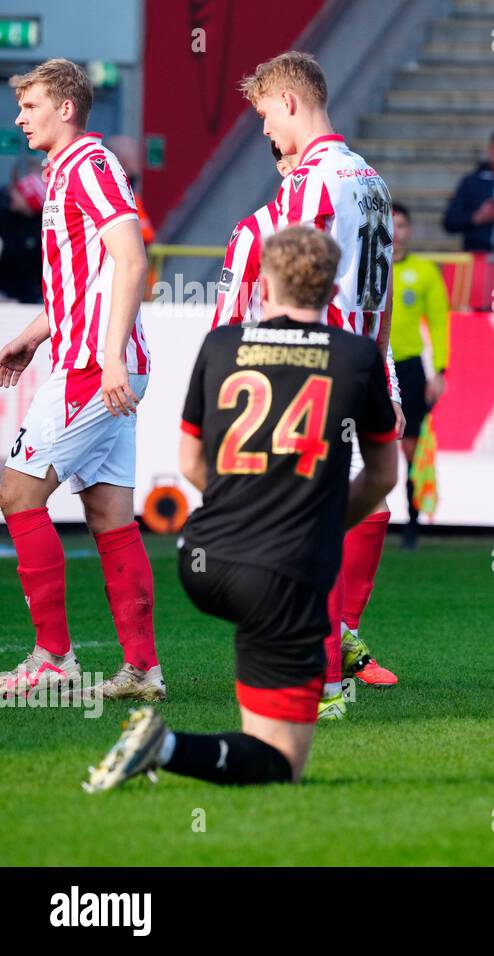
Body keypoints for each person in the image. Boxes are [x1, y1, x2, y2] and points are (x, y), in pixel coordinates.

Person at [82, 226, 399, 792]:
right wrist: (317, 521)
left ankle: (161, 744)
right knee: (281, 765)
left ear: (265, 281)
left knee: (261, 691)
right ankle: (166, 744)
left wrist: (245, 508)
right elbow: (383, 476)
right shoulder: (354, 355)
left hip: (206, 559)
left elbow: (191, 462)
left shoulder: (222, 344)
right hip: (284, 571)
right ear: (332, 290)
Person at [241, 50, 403, 709]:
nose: (263, 132)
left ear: (288, 100)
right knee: (345, 504)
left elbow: (293, 278)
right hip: (367, 355)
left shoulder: (310, 180)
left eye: (263, 116)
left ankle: (326, 675)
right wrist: (377, 362)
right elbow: (383, 286)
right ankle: (335, 650)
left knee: (308, 515)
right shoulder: (369, 179)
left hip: (319, 360)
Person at [0, 59, 162, 702]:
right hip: (95, 360)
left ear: (66, 107)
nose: (20, 117)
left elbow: (131, 256)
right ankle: (142, 669)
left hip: (96, 369)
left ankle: (52, 659)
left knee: (16, 493)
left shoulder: (88, 166)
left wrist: (112, 355)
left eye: (31, 104)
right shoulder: (68, 171)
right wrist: (33, 336)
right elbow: (88, 280)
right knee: (109, 514)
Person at [389, 203, 451, 548]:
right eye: (391, 224)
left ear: (410, 230)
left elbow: (440, 323)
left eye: (401, 224)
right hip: (371, 366)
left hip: (409, 367)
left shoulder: (425, 272)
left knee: (411, 446)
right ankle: (363, 520)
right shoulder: (369, 266)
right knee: (365, 445)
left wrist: (440, 370)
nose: (396, 231)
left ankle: (411, 523)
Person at [211, 142, 295, 328]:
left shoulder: (342, 218)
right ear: (284, 169)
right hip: (270, 353)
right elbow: (229, 316)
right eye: (304, 163)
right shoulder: (254, 230)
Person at [0, 167, 44, 303]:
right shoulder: (6, 217)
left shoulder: (42, 230)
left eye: (18, 191)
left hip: (28, 301)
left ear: (29, 199)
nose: (12, 193)